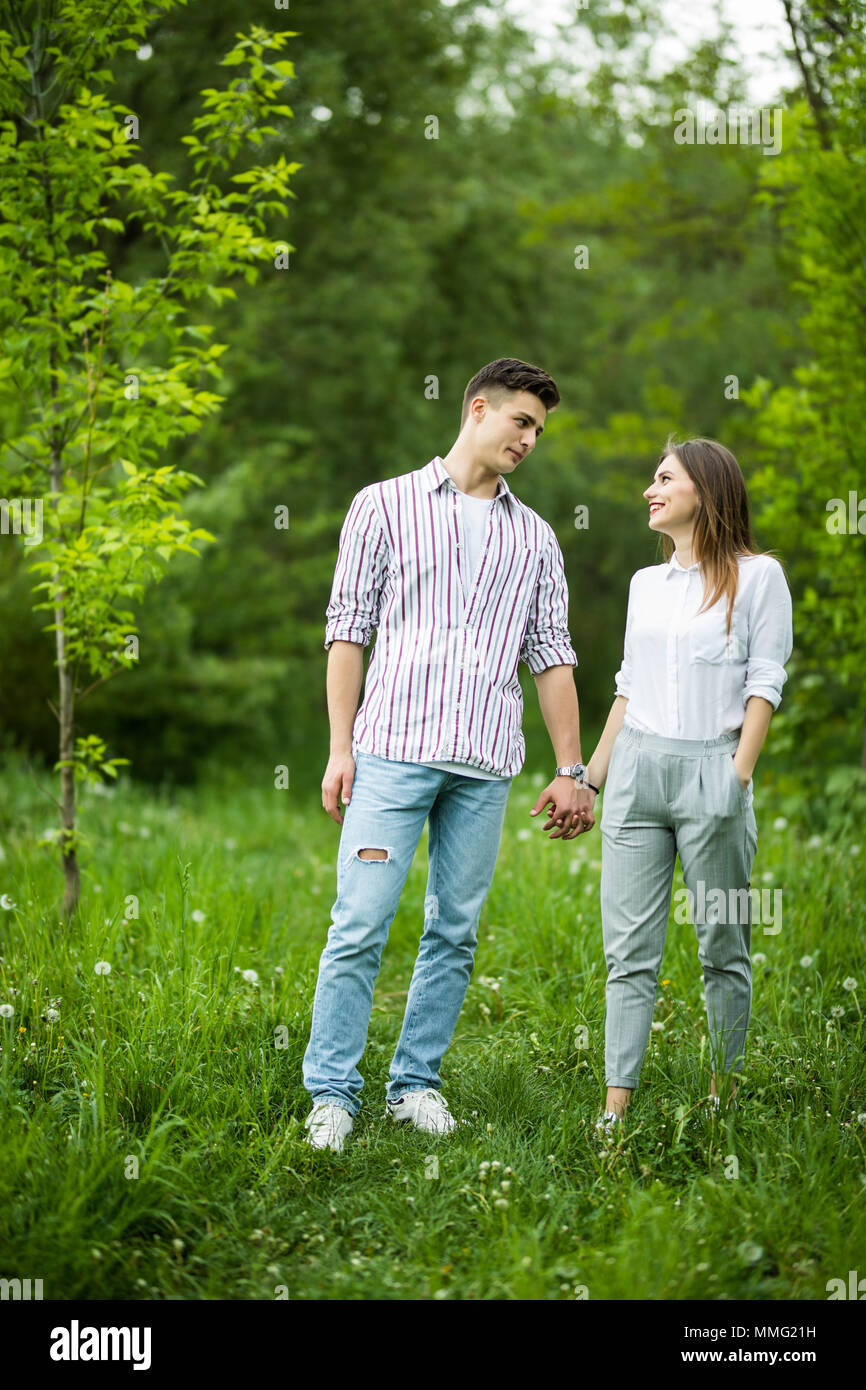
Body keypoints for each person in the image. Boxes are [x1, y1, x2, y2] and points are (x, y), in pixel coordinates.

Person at [302, 358, 596, 1151]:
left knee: (454, 932)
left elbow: (552, 654)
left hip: (485, 765)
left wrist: (572, 771)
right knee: (360, 923)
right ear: (477, 409)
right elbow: (346, 631)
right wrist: (339, 748)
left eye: (539, 429)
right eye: (521, 422)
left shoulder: (535, 538)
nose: (530, 440)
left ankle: (414, 1084)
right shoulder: (383, 506)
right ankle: (331, 1094)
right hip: (390, 751)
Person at [582, 437, 793, 1134]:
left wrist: (736, 777)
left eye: (664, 477)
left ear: (704, 488)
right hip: (637, 774)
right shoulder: (647, 585)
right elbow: (626, 689)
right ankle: (616, 1110)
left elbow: (765, 680)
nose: (651, 488)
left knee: (722, 945)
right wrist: (589, 780)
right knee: (628, 954)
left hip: (714, 769)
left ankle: (721, 1098)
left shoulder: (758, 576)